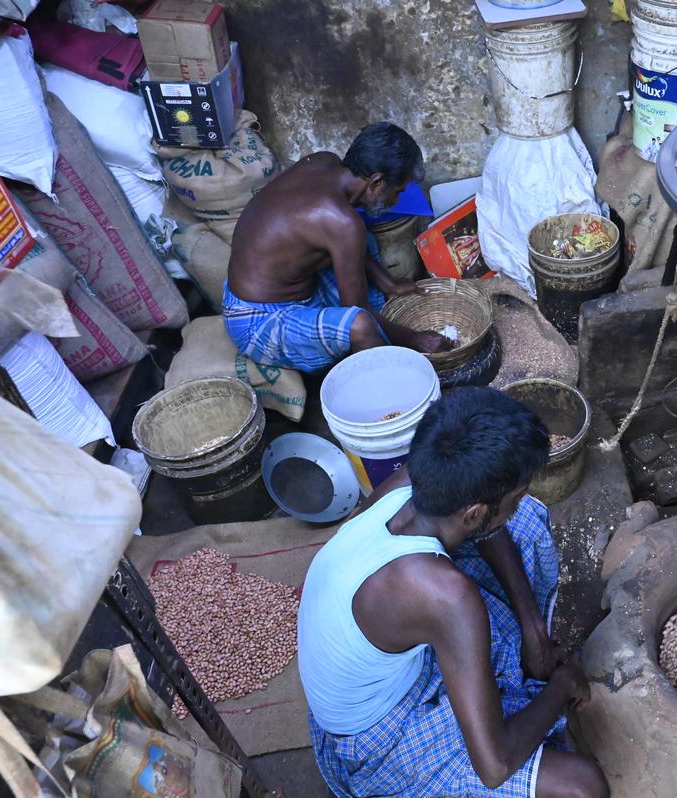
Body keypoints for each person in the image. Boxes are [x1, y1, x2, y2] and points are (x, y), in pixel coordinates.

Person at [297, 387, 609, 798]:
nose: (519, 502)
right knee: (583, 787)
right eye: (512, 498)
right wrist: (561, 688)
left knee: (524, 524)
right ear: (474, 512)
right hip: (375, 740)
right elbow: (494, 766)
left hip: (368, 670)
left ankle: (521, 643)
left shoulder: (412, 481)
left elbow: (488, 528)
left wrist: (532, 626)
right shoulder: (446, 597)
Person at [223, 123, 453, 372]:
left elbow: (342, 238)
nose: (396, 201)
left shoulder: (324, 161)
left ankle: (374, 323)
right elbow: (356, 311)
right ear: (376, 182)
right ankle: (383, 391)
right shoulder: (341, 222)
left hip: (274, 288)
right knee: (362, 325)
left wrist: (389, 283)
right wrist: (414, 339)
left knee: (363, 240)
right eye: (396, 192)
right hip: (258, 321)